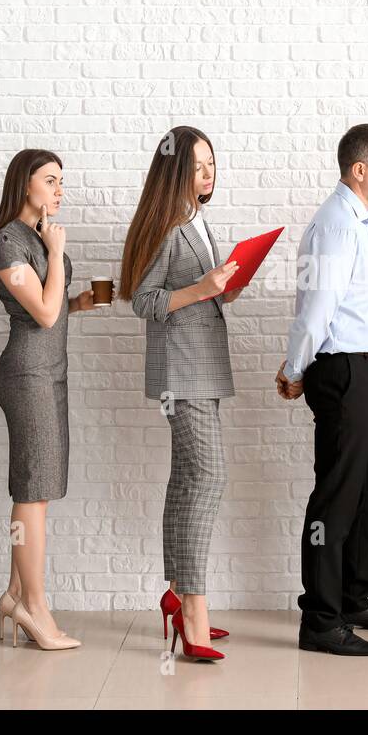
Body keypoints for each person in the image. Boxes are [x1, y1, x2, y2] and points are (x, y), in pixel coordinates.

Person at [275, 123, 368, 656]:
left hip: (367, 370)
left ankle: (354, 598)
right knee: (335, 494)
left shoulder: (361, 220)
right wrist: (294, 369)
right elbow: (317, 307)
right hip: (341, 371)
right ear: (360, 169)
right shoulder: (335, 224)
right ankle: (321, 620)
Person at [121, 126, 239, 662]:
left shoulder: (197, 219)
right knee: (208, 475)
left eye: (212, 162)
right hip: (182, 373)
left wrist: (222, 287)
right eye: (197, 165)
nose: (208, 172)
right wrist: (203, 289)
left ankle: (176, 593)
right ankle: (193, 609)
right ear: (174, 171)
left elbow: (196, 295)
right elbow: (143, 300)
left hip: (204, 367)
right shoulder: (166, 225)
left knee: (189, 477)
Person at [0, 149, 98, 651]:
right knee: (31, 490)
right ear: (23, 184)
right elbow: (43, 316)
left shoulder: (34, 237)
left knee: (40, 489)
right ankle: (34, 605)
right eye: (50, 180)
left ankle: (14, 595)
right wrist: (55, 254)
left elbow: (54, 306)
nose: (59, 190)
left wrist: (82, 301)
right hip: (26, 373)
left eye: (61, 182)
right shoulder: (7, 241)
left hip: (51, 373)